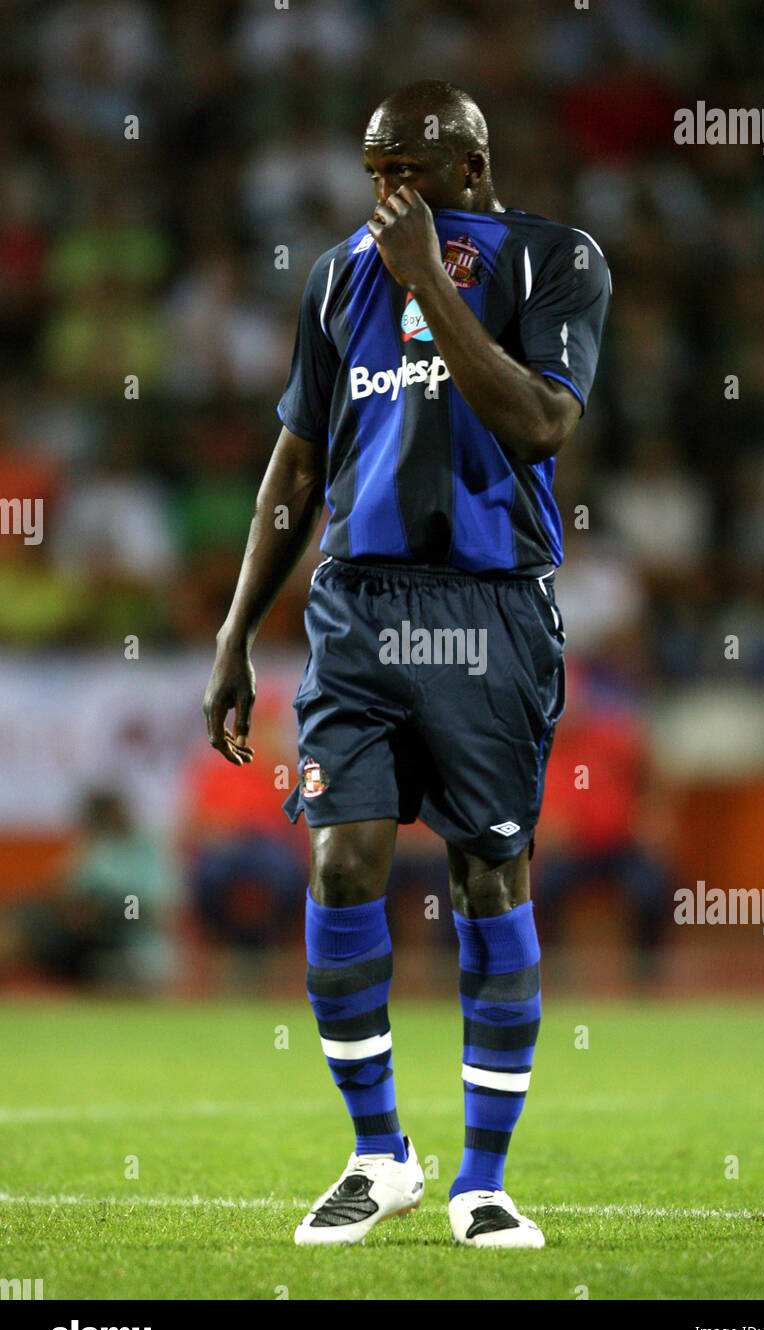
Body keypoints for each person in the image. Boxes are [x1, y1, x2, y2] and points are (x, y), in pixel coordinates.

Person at [203, 80, 611, 1248]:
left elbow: (536, 422)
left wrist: (432, 277)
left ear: (469, 169)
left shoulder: (555, 261)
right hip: (359, 608)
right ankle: (377, 1155)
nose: (385, 194)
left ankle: (482, 1181)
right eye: (373, 171)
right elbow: (294, 470)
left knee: (490, 878)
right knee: (340, 864)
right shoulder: (337, 278)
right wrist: (235, 637)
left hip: (491, 610)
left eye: (408, 172)